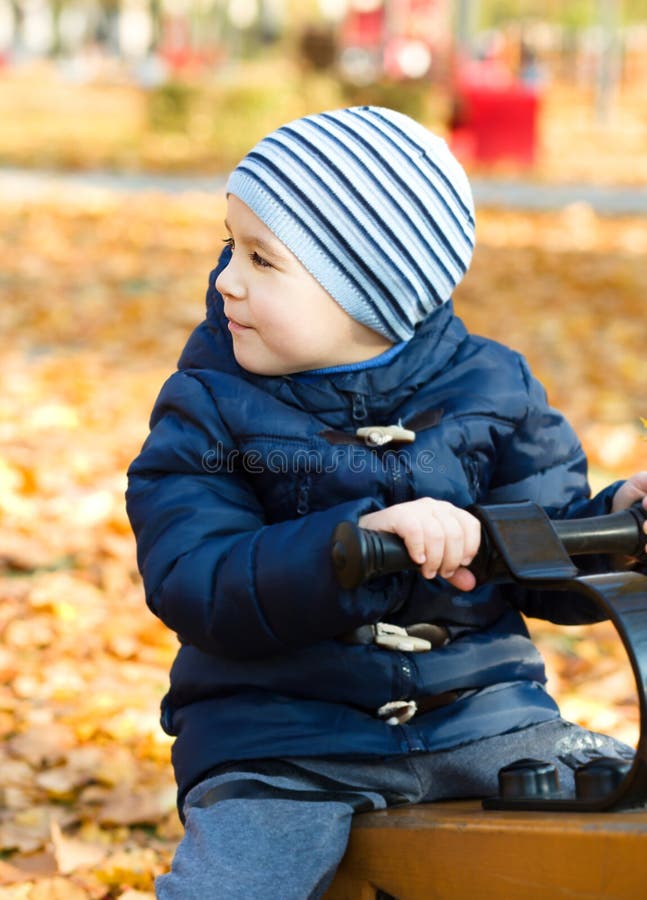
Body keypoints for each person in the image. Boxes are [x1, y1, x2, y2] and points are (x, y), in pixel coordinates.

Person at [126, 106, 647, 899]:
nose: (227, 278)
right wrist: (349, 542)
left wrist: (619, 525)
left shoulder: (493, 389)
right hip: (284, 740)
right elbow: (194, 576)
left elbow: (544, 555)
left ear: (373, 294)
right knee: (234, 887)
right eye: (229, 246)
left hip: (484, 719)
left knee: (621, 821)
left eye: (264, 260)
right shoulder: (209, 405)